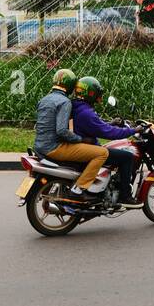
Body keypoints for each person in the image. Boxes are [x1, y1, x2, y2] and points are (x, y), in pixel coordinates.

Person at [32, 68, 108, 201]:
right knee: (102, 153)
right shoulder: (64, 102)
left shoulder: (44, 99)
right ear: (71, 86)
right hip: (54, 148)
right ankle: (79, 189)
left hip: (39, 146)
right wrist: (81, 139)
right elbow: (61, 131)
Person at [71, 76, 142, 208]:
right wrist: (133, 130)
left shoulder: (77, 107)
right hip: (88, 149)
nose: (99, 97)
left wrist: (111, 123)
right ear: (90, 94)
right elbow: (109, 133)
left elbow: (95, 127)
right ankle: (125, 196)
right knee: (127, 157)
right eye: (97, 94)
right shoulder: (86, 112)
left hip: (82, 146)